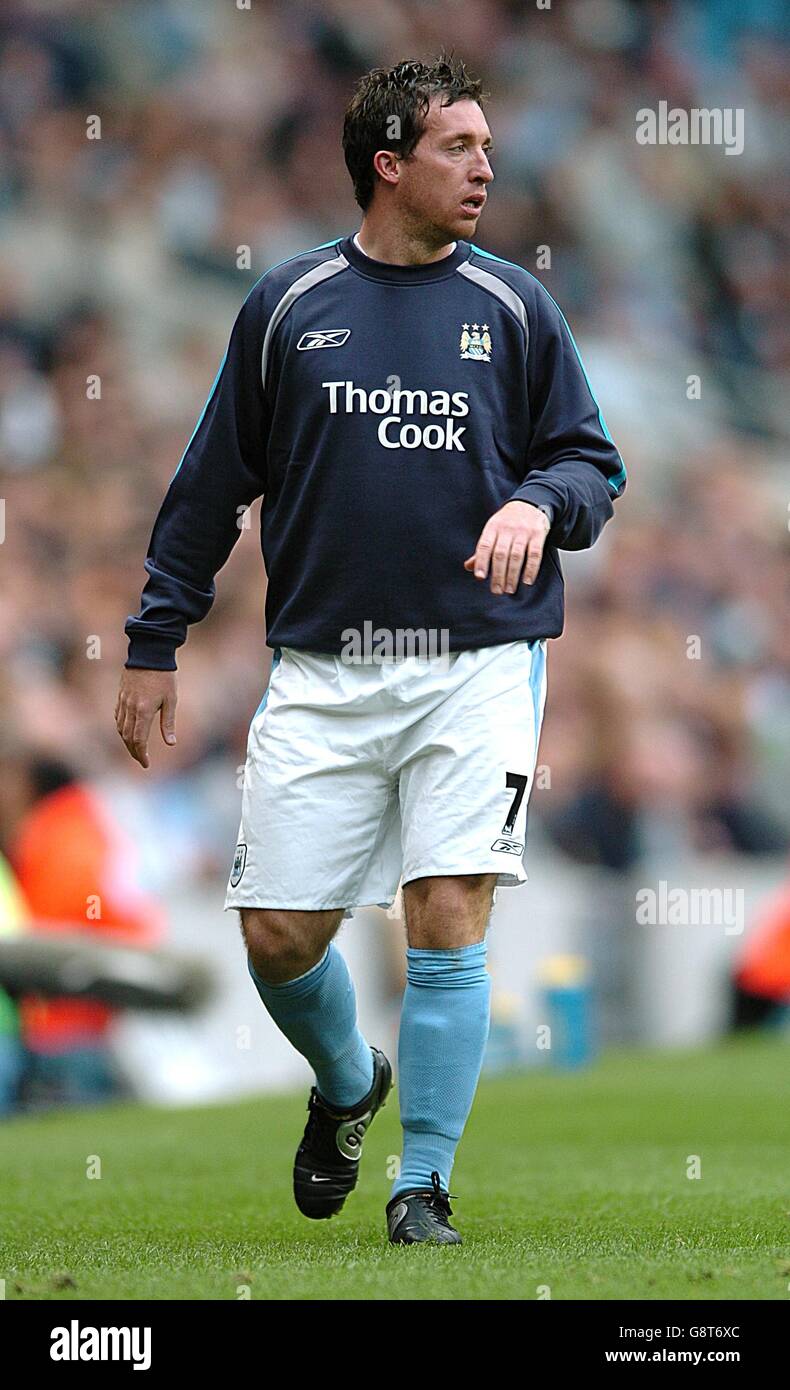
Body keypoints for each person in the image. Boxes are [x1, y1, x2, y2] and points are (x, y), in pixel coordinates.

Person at [117, 55, 625, 1244]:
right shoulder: (289, 307)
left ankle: (423, 1184)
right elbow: (206, 492)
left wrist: (538, 502)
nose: (487, 167)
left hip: (479, 661)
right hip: (325, 670)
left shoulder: (513, 305)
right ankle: (349, 1083)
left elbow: (592, 462)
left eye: (489, 146)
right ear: (387, 164)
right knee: (279, 935)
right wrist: (153, 639)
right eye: (459, 148)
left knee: (446, 906)